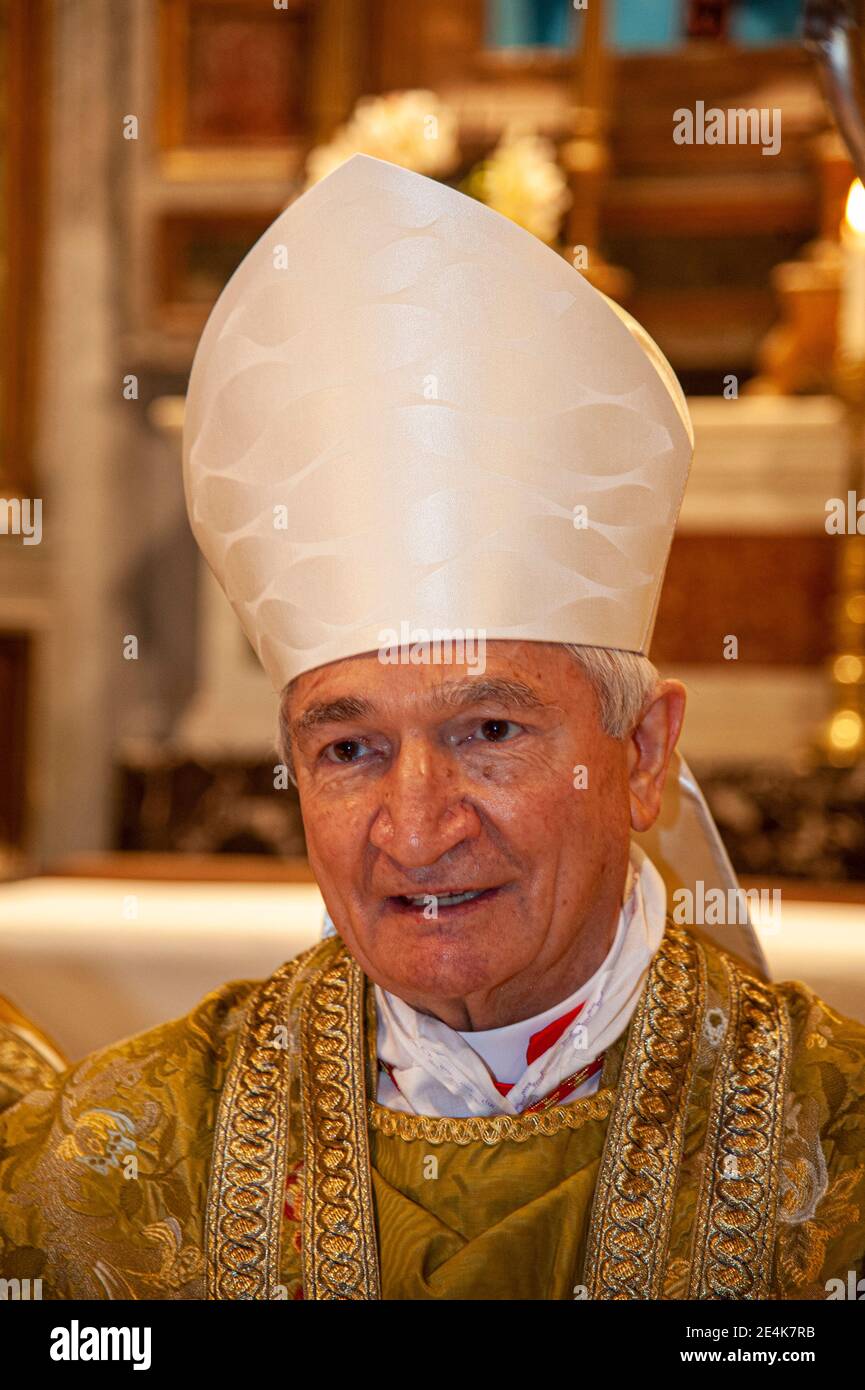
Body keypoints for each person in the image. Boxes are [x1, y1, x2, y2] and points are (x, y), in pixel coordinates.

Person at [1, 156, 863, 1300]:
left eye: (488, 730)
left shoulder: (835, 1156)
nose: (415, 829)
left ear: (642, 754)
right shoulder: (130, 1160)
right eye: (348, 747)